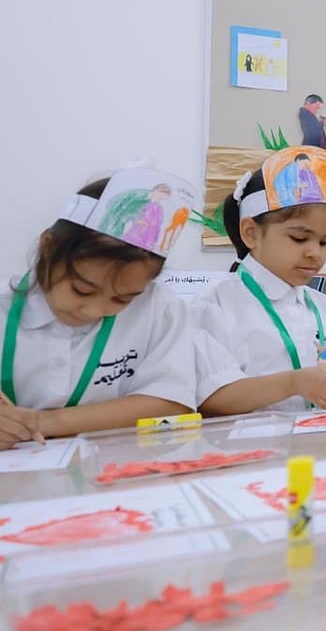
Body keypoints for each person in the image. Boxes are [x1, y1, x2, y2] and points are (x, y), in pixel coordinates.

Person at [0, 170, 199, 448]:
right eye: (81, 289)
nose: (94, 311)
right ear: (48, 249)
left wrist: (40, 422)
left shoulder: (158, 307)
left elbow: (170, 405)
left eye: (122, 300)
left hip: (112, 473)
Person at [193, 146, 326, 414]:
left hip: (321, 448)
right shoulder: (216, 305)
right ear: (250, 233)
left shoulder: (323, 307)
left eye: (324, 241)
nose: (314, 252)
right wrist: (293, 383)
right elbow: (210, 399)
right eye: (299, 238)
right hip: (249, 451)